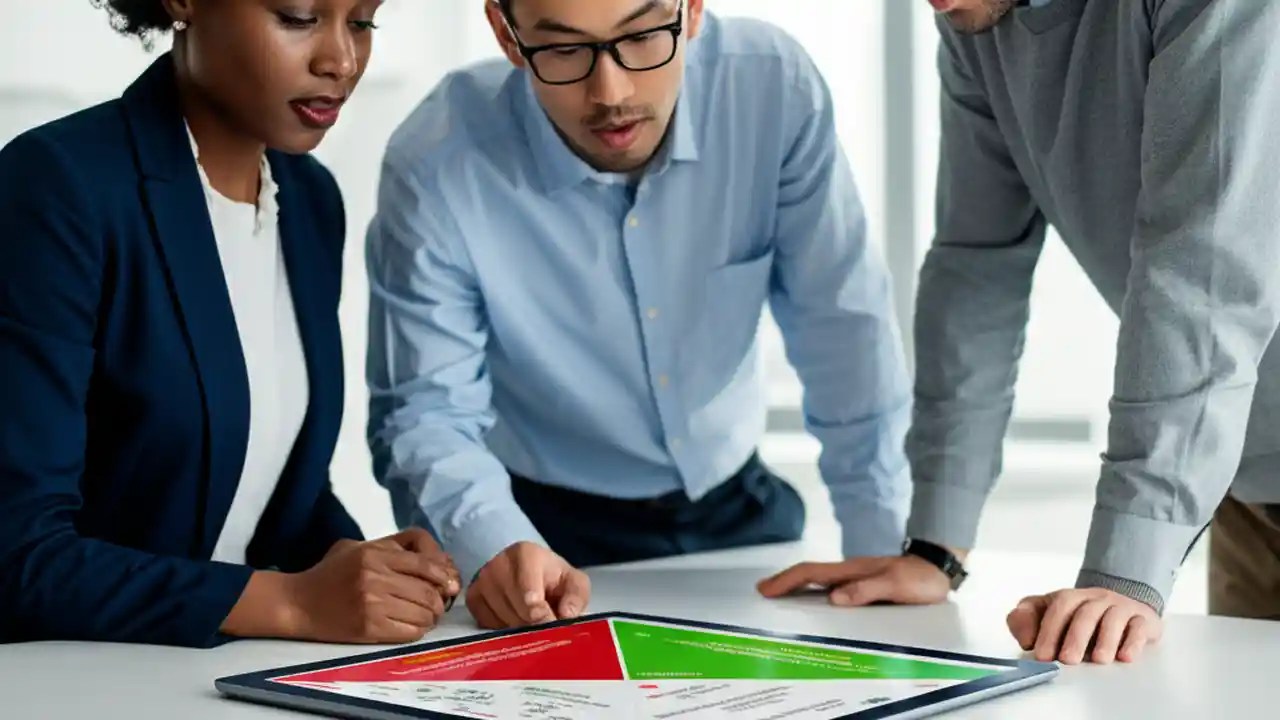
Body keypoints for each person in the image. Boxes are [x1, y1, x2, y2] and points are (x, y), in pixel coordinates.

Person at [759, 0, 1280, 666]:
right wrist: (936, 547)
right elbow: (978, 264)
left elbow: (1202, 271)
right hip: (1241, 480)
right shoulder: (975, 23)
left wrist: (1125, 571)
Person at [365, 0, 913, 630]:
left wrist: (882, 544)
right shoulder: (436, 162)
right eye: (565, 49)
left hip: (738, 509)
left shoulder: (770, 88)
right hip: (539, 529)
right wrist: (493, 546)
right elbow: (426, 411)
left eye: (644, 35)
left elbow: (843, 329)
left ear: (694, 9)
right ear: (506, 34)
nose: (612, 93)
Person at [0, 0, 461, 648]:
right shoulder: (58, 186)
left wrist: (368, 564)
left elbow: (267, 491)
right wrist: (295, 603)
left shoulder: (307, 199)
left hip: (215, 674)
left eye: (362, 21)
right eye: (299, 17)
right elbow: (19, 554)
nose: (341, 60)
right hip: (70, 679)